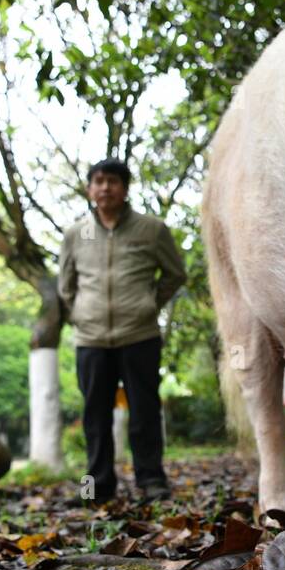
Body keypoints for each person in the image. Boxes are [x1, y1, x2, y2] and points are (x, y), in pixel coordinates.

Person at [59, 158, 185, 503]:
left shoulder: (152, 229)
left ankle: (151, 481)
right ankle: (96, 486)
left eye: (112, 181)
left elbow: (175, 275)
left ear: (125, 188)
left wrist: (148, 304)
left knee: (144, 412)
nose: (105, 187)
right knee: (94, 415)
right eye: (97, 181)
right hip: (91, 340)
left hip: (139, 336)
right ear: (89, 189)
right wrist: (81, 316)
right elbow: (66, 286)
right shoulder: (75, 234)